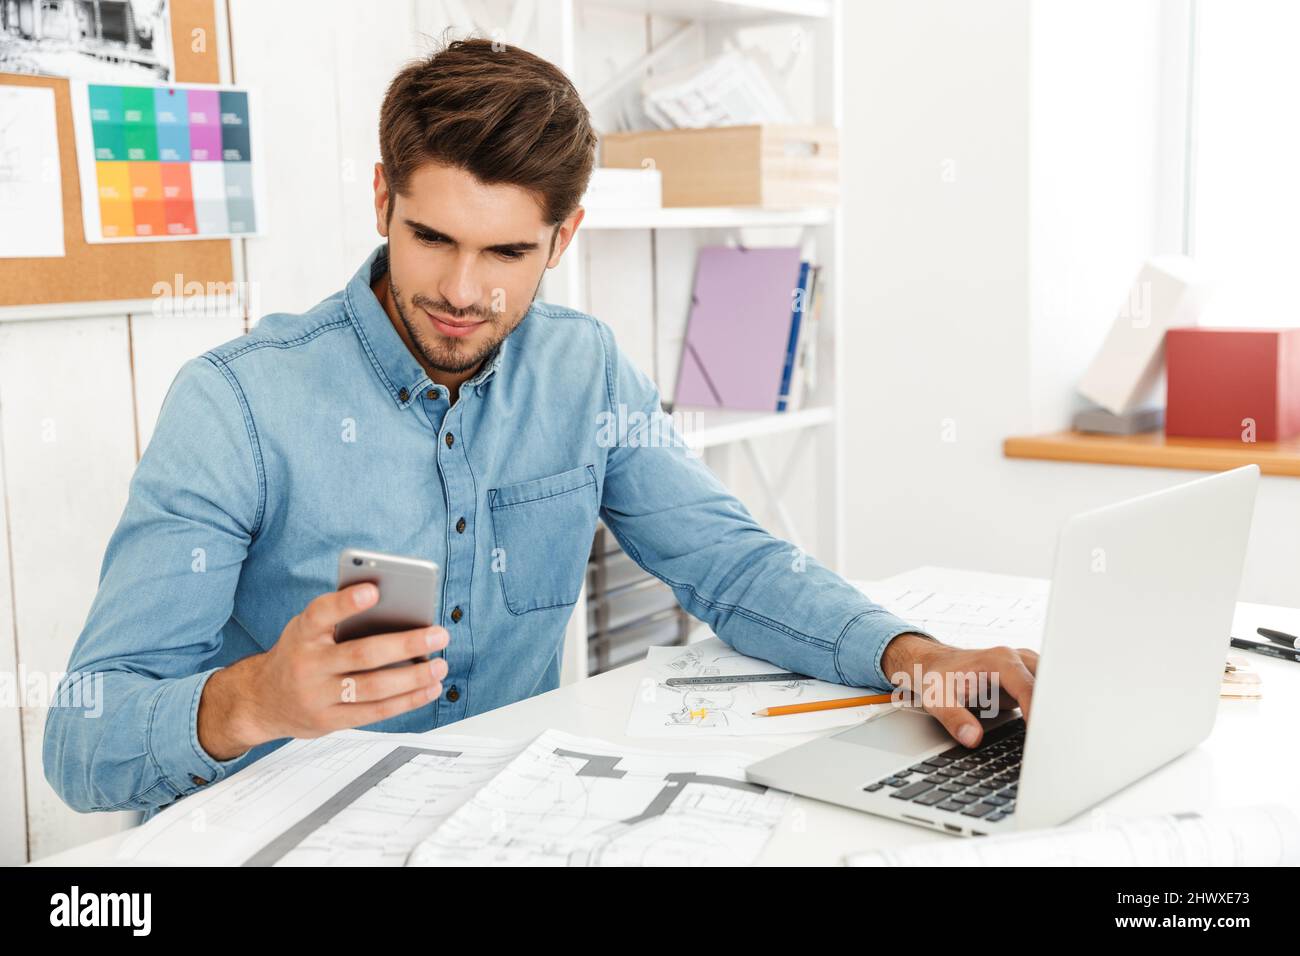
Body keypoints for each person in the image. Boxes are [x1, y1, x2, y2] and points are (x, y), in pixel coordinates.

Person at [44, 38, 1037, 817]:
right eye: (431, 237)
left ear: (564, 235)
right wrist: (253, 697)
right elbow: (78, 743)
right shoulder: (237, 404)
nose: (462, 292)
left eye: (508, 251)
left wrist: (910, 652)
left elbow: (729, 564)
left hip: (500, 821)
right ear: (382, 196)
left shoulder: (582, 368)